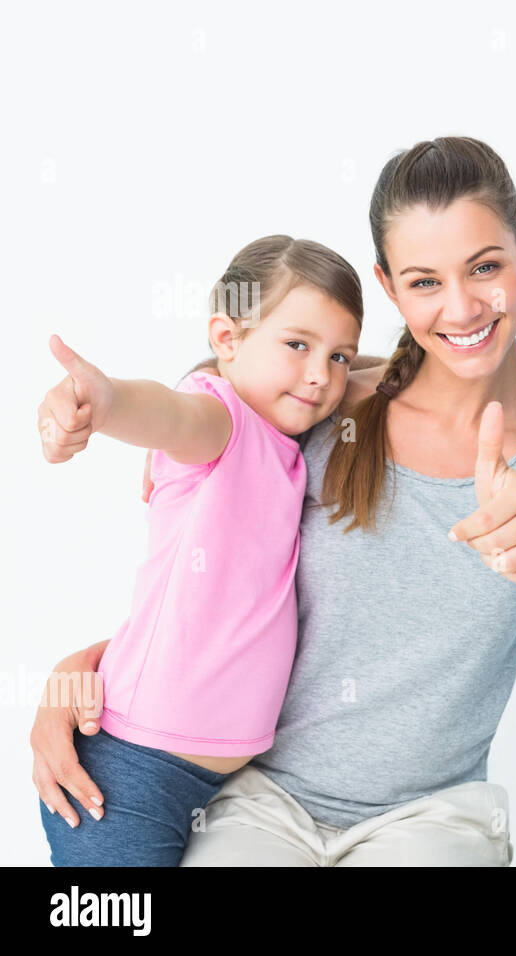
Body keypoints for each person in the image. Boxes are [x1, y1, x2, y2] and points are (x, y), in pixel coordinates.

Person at [30, 137, 516, 866]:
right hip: (257, 797)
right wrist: (79, 669)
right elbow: (199, 498)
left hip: (433, 817)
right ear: (391, 288)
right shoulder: (320, 411)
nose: (461, 306)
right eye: (425, 282)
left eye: (486, 267)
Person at [34, 235, 364, 865]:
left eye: (339, 355)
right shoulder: (224, 420)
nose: (322, 374)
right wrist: (106, 403)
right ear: (228, 338)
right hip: (130, 768)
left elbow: (379, 378)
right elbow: (167, 414)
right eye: (298, 345)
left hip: (212, 780)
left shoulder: (286, 442)